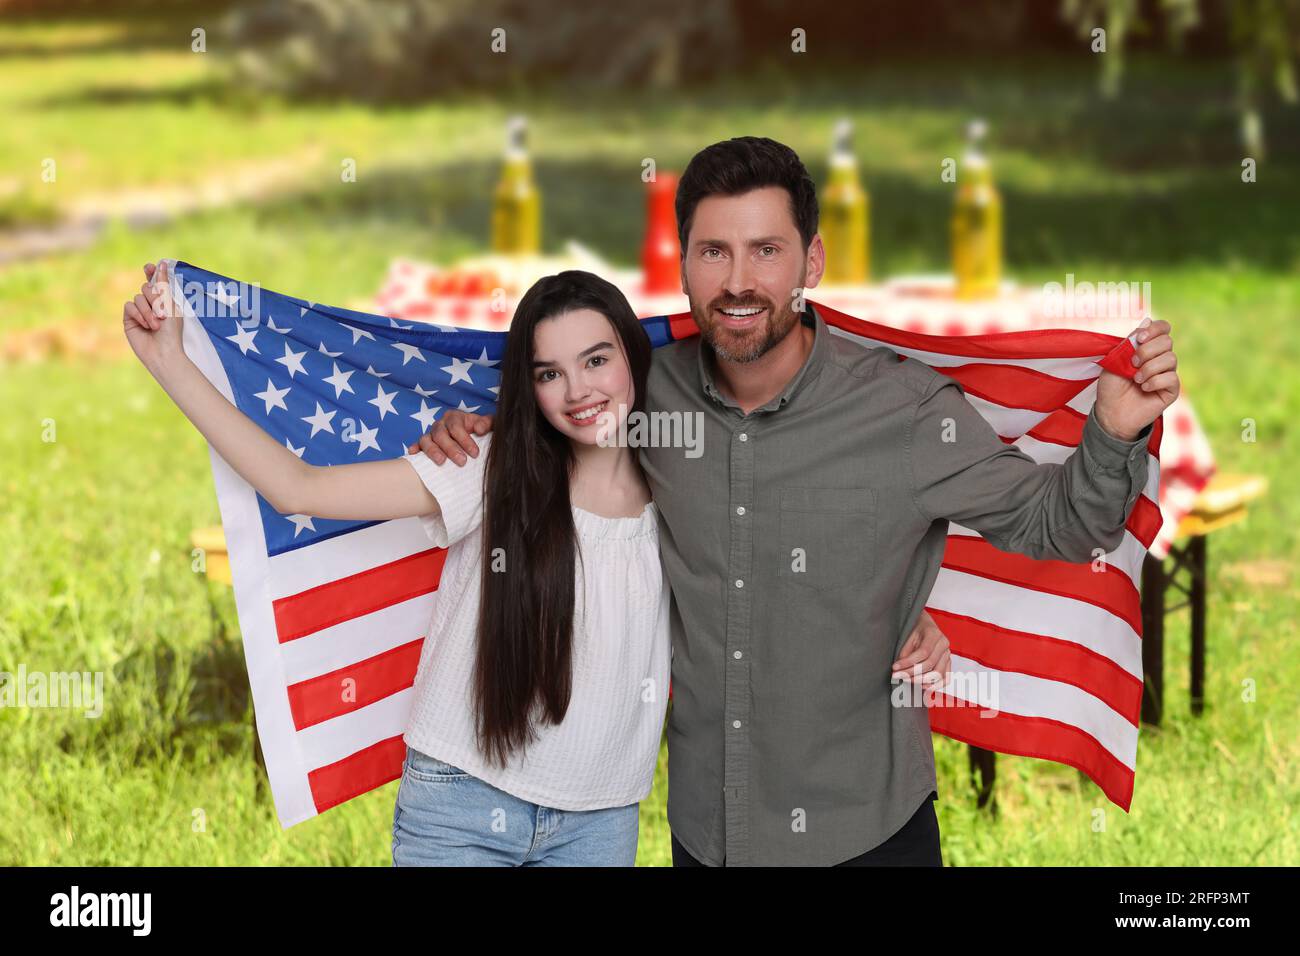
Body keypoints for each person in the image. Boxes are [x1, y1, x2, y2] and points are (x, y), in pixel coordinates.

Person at [412, 136, 1181, 866]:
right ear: (681, 266)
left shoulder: (904, 412)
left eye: (766, 250)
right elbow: (557, 416)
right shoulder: (648, 396)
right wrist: (470, 430)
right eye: (714, 252)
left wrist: (1110, 431)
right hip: (708, 834)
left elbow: (1066, 525)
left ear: (812, 259)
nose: (738, 281)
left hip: (868, 833)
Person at [123, 263, 671, 866]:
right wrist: (169, 362)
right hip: (460, 807)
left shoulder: (685, 488)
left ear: (635, 356)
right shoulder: (488, 467)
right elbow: (299, 488)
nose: (578, 392)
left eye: (597, 361)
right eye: (549, 373)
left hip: (600, 822)